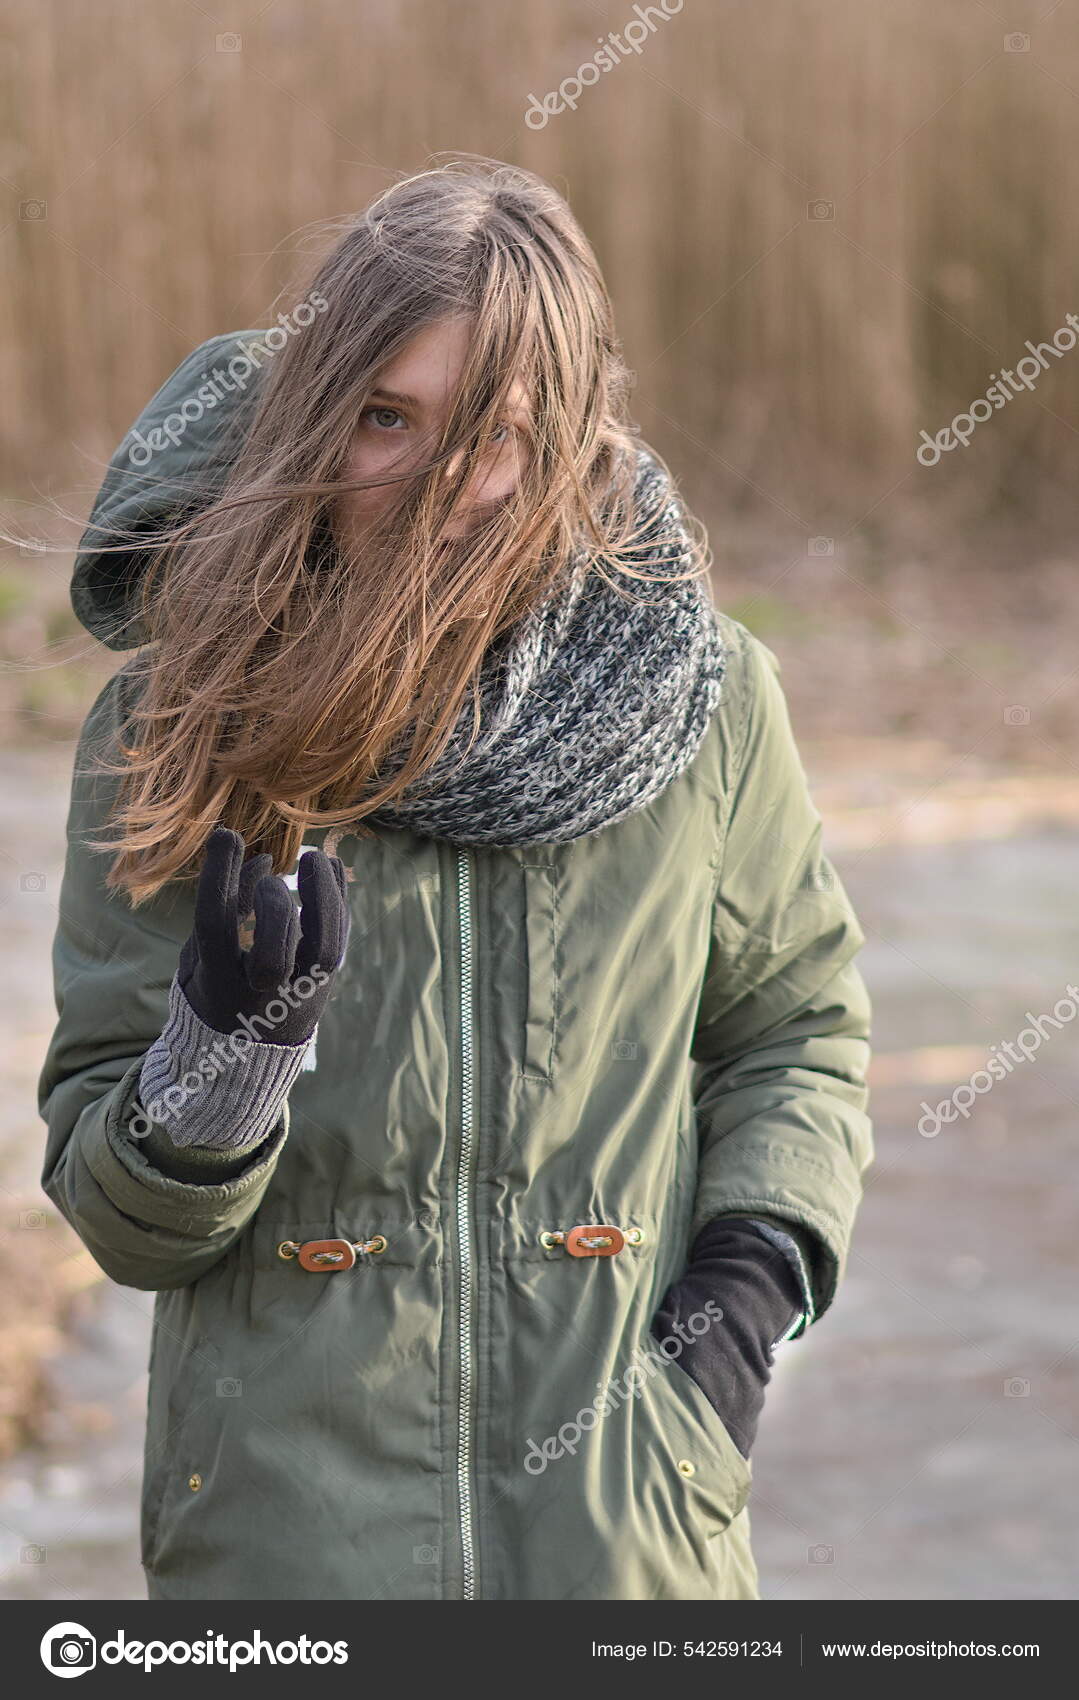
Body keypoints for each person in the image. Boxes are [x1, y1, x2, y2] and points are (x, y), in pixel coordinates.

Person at [37, 157, 873, 1602]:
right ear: (317, 413)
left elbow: (797, 1033)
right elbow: (120, 1227)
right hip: (286, 1559)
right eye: (388, 417)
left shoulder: (710, 704)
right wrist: (215, 1067)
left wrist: (740, 1308)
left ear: (574, 443)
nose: (444, 488)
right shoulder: (177, 728)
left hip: (628, 1545)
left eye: (501, 433)